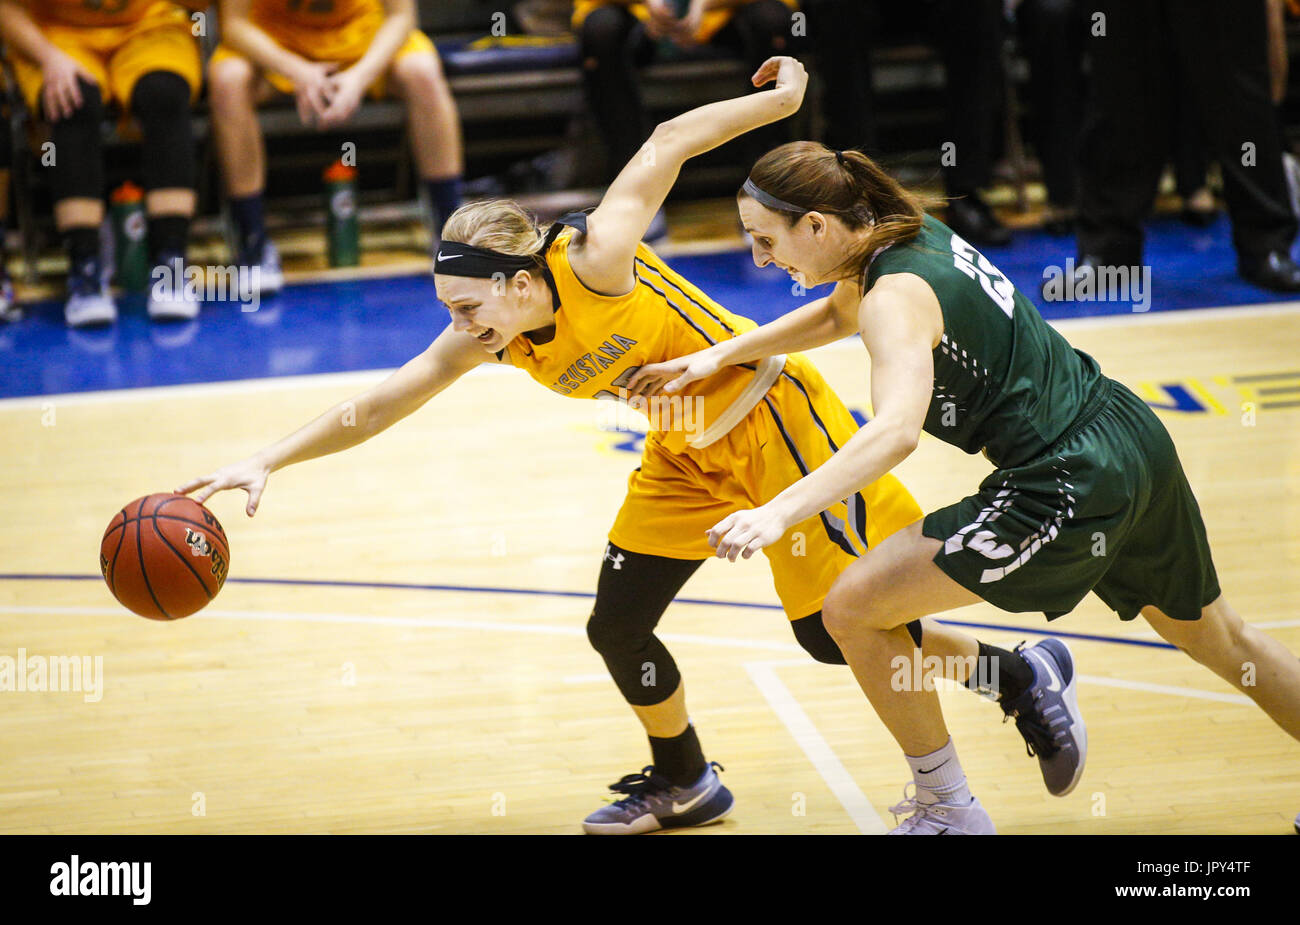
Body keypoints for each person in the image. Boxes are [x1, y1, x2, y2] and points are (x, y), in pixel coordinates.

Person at [179, 57, 1079, 835]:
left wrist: (778, 103)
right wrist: (268, 458)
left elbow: (665, 142)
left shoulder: (598, 260)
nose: (458, 330)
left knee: (829, 633)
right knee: (617, 623)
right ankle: (685, 778)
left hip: (776, 428)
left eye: (468, 308)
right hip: (684, 455)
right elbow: (378, 404)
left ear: (523, 281)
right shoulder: (493, 332)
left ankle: (1009, 673)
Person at [627, 133, 1300, 834]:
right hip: (1128, 433)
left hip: (1064, 481)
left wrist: (779, 510)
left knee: (852, 606)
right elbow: (838, 312)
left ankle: (949, 809)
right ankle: (1009, 703)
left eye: (768, 241)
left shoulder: (894, 299)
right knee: (1225, 638)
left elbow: (895, 432)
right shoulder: (908, 232)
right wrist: (722, 354)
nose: (762, 259)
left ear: (817, 226)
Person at [208, 0, 464, 291]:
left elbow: (401, 18)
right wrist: (295, 69)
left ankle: (450, 233)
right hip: (275, 40)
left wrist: (360, 77)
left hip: (362, 34)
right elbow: (234, 25)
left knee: (423, 72)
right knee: (228, 80)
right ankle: (251, 244)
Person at [0, 0, 205, 326]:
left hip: (149, 26)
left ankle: (171, 265)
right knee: (72, 101)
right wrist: (49, 58)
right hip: (56, 35)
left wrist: (195, 17)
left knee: (164, 94)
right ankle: (85, 269)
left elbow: (201, 10)